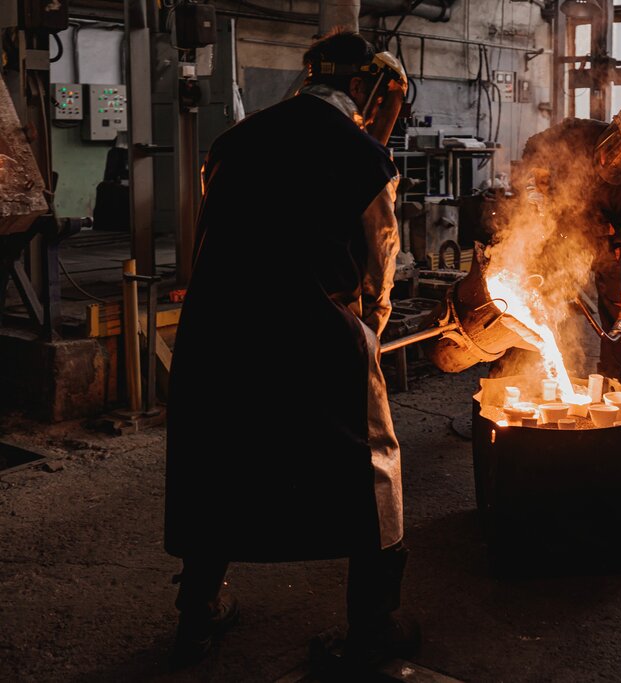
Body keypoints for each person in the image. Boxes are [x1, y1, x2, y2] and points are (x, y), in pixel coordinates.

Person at [164, 30, 416, 668]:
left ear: (309, 77)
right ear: (360, 86)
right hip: (316, 335)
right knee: (374, 466)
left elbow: (227, 228)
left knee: (220, 464)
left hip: (218, 333)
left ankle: (197, 617)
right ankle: (373, 626)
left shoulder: (230, 143)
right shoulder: (364, 156)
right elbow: (379, 263)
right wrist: (371, 334)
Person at [516, 103, 621, 383]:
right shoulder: (578, 132)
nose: (616, 161)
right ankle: (526, 364)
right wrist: (537, 184)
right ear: (613, 128)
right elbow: (534, 145)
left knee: (617, 301)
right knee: (541, 290)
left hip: (608, 239)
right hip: (565, 224)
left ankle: (612, 379)